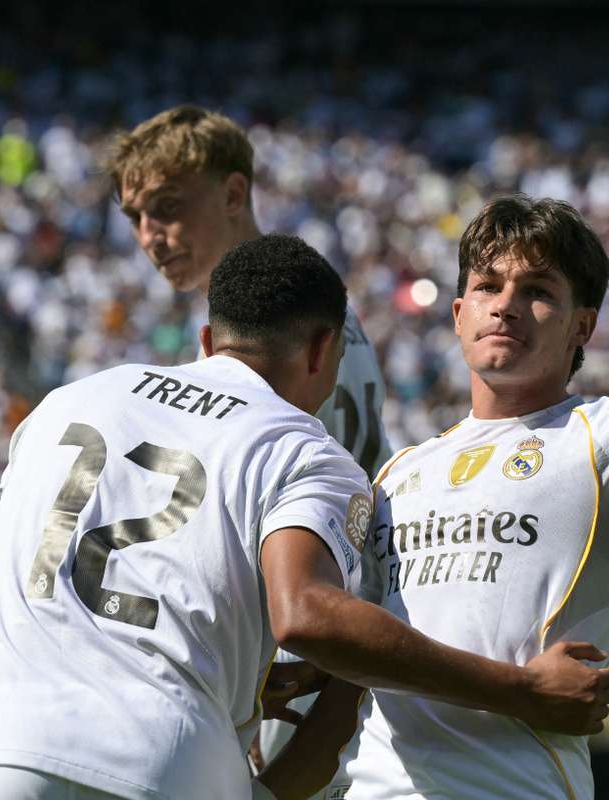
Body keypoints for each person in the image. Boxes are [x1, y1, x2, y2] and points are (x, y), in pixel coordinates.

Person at [0, 234, 609, 800]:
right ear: (323, 350)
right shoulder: (303, 448)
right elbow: (307, 615)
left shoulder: (67, 402)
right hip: (160, 762)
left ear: (207, 335)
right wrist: (522, 688)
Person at [262, 195, 609, 800]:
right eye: (489, 286)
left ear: (583, 326)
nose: (506, 307)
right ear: (460, 312)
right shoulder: (397, 475)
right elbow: (356, 683)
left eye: (538, 290)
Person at [108, 104, 393, 779]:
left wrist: (283, 680)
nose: (151, 235)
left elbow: (318, 534)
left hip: (291, 677)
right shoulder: (292, 318)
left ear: (235, 193)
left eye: (169, 207)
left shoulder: (296, 339)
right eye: (135, 218)